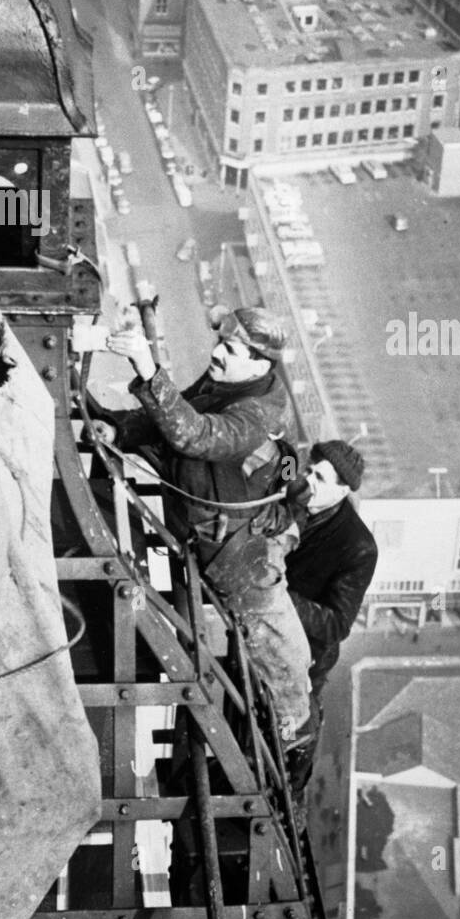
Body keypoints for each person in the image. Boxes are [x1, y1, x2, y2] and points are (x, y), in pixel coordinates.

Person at [88, 306, 313, 740]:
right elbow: (173, 415)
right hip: (205, 533)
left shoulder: (258, 410)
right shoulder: (229, 379)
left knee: (278, 645)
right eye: (220, 344)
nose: (218, 354)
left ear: (260, 363)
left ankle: (292, 733)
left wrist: (147, 367)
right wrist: (121, 433)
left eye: (230, 348)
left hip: (239, 550)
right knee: (267, 642)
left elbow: (195, 434)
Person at [284, 441, 378, 795]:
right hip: (263, 631)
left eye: (320, 478)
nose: (308, 480)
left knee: (288, 735)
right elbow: (285, 468)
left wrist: (279, 597)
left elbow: (337, 623)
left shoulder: (358, 547)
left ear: (342, 490)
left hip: (304, 657)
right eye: (309, 470)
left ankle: (289, 793)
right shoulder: (296, 496)